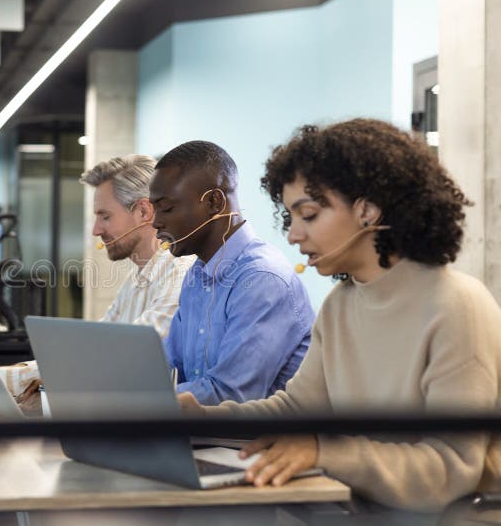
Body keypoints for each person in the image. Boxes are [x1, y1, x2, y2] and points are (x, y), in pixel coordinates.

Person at [179, 119, 501, 514]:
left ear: (367, 211)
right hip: (362, 513)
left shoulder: (457, 306)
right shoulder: (341, 305)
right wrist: (203, 419)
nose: (293, 234)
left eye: (309, 214)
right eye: (291, 217)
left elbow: (449, 470)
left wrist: (324, 451)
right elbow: (298, 411)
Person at [0, 155, 194, 397]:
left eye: (105, 216)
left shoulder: (179, 277)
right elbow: (88, 350)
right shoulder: (136, 282)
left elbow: (110, 357)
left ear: (144, 212)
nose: (96, 230)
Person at [151, 140, 315, 405]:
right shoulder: (197, 276)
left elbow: (230, 395)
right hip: (200, 429)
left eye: (167, 208)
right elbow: (168, 368)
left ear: (214, 202)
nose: (156, 222)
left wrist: (136, 400)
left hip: (249, 432)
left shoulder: (262, 278)